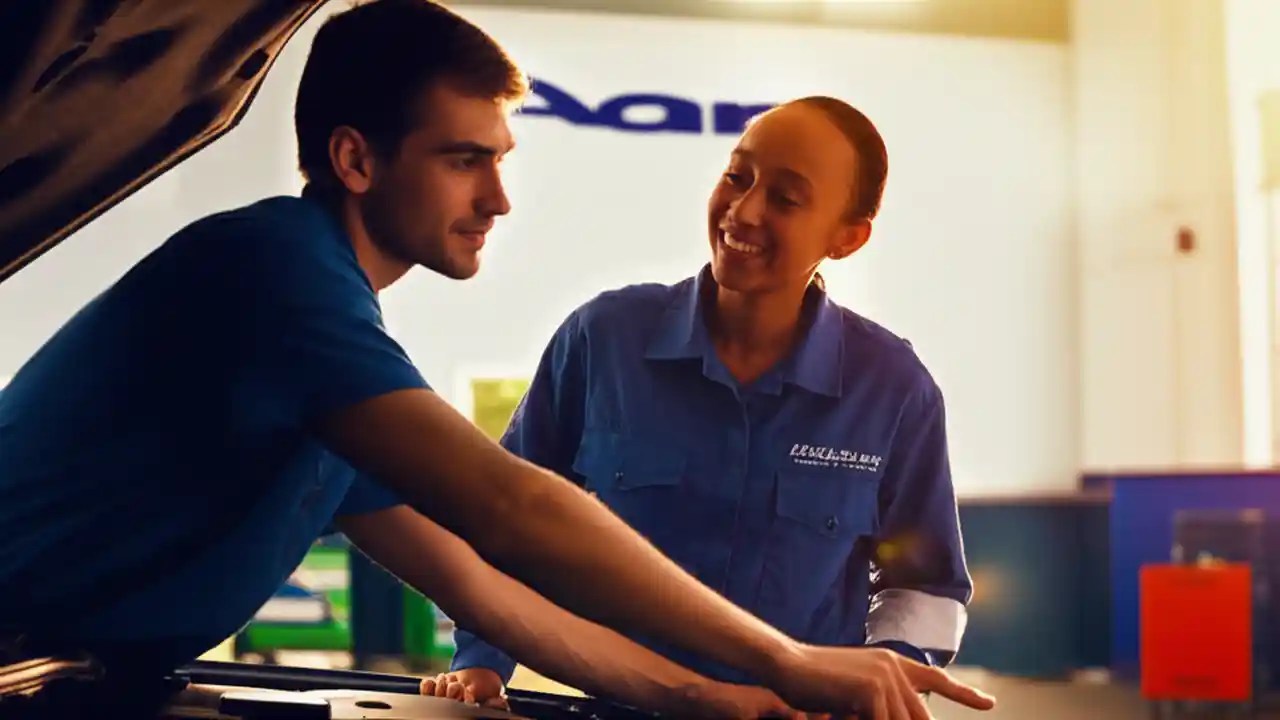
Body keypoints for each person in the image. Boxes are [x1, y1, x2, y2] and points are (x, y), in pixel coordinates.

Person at [0, 1, 995, 718]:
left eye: (499, 161)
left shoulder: (325, 363)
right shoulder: (276, 279)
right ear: (355, 160)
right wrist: (786, 661)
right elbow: (512, 512)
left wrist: (715, 700)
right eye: (463, 159)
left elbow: (483, 587)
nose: (497, 199)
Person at [444, 96, 974, 706]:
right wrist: (482, 661)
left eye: (785, 198)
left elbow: (927, 584)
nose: (744, 211)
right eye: (737, 177)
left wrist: (892, 671)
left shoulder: (894, 389)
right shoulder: (603, 341)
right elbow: (506, 523)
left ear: (847, 237)